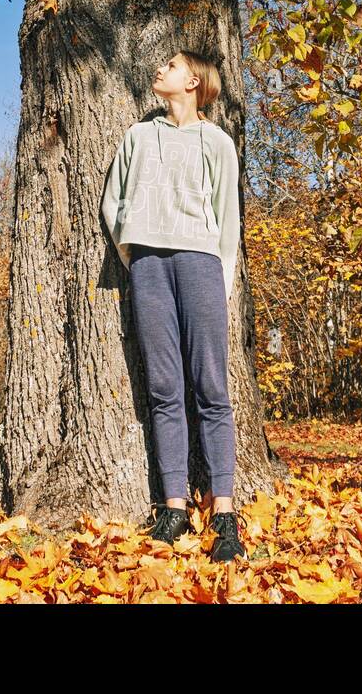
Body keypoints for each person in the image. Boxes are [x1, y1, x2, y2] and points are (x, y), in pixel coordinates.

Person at [100, 49, 247, 563]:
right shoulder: (138, 136)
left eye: (172, 65)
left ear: (194, 81)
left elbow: (228, 217)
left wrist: (220, 277)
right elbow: (112, 201)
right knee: (164, 387)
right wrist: (133, 250)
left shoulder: (218, 144)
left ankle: (225, 513)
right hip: (147, 266)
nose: (160, 69)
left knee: (211, 385)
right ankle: (174, 507)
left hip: (202, 264)